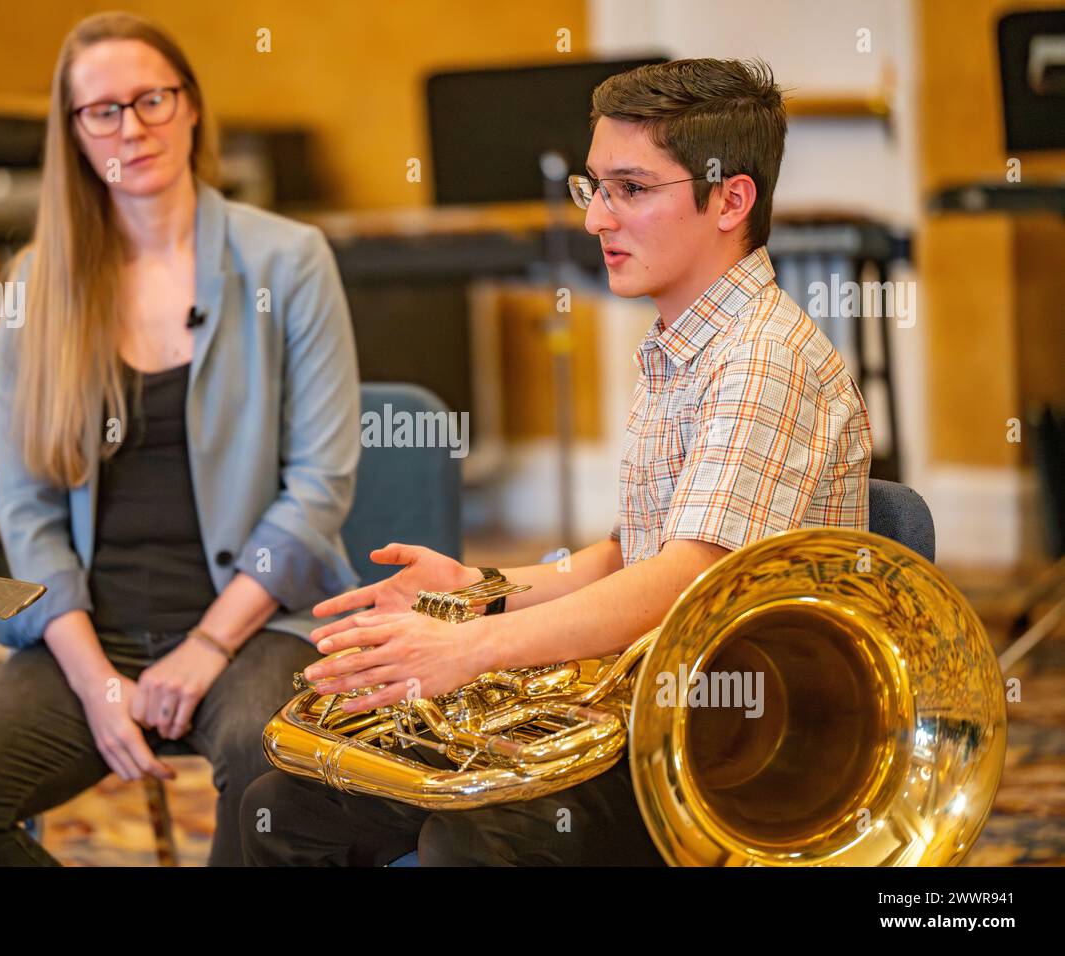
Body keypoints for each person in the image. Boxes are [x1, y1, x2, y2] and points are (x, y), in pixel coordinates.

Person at [240, 57, 873, 866]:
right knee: (288, 810)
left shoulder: (760, 359)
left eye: (631, 190)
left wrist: (468, 648)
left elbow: (685, 577)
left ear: (731, 199)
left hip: (726, 748)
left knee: (468, 842)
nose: (595, 221)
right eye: (594, 187)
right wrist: (481, 594)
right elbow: (627, 552)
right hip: (656, 711)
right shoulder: (683, 345)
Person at [0, 11, 359, 866]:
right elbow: (28, 509)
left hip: (251, 625)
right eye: (103, 110)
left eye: (152, 98)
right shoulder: (37, 281)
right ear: (73, 134)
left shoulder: (289, 260)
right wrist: (94, 681)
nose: (133, 127)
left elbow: (319, 490)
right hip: (90, 631)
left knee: (273, 774)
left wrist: (206, 647)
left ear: (191, 108)